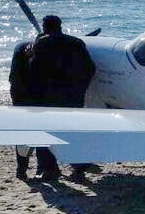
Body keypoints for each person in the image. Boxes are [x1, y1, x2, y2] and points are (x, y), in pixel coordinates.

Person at [27, 15, 96, 181]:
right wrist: (81, 88)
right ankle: (79, 169)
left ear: (45, 27)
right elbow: (90, 67)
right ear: (60, 26)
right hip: (73, 95)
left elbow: (34, 70)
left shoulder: (42, 43)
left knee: (46, 132)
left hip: (48, 96)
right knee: (74, 132)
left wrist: (30, 55)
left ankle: (50, 169)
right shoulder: (76, 42)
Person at [9, 41, 36, 180]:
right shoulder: (30, 49)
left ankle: (22, 169)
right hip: (30, 96)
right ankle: (44, 168)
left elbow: (13, 78)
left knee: (24, 133)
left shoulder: (20, 48)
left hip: (19, 95)